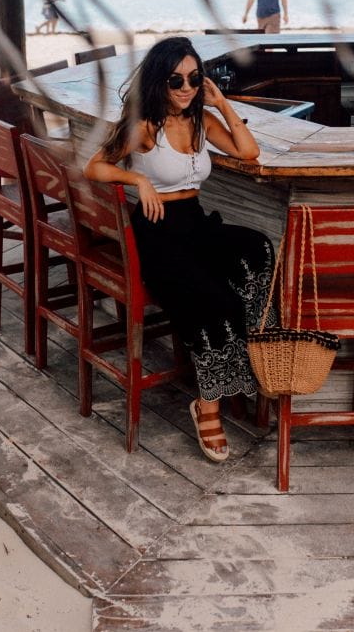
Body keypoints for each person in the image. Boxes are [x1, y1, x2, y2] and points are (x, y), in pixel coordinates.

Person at [84, 36, 271, 463]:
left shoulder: (203, 118)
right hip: (158, 233)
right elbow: (94, 165)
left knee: (256, 250)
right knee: (216, 300)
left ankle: (251, 359)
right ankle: (208, 404)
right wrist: (138, 180)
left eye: (194, 78)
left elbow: (249, 150)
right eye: (176, 80)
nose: (186, 88)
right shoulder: (146, 125)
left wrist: (221, 102)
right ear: (159, 81)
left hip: (196, 225)